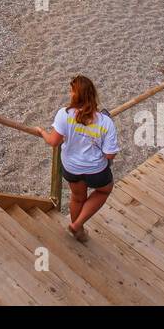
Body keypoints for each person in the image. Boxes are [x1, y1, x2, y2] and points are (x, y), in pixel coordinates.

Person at [36, 75, 118, 241]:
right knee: (104, 190)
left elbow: (53, 142)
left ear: (75, 95)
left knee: (78, 197)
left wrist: (41, 131)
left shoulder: (64, 114)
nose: (69, 93)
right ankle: (77, 224)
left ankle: (78, 231)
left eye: (71, 90)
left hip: (72, 168)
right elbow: (110, 154)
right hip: (95, 169)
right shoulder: (105, 122)